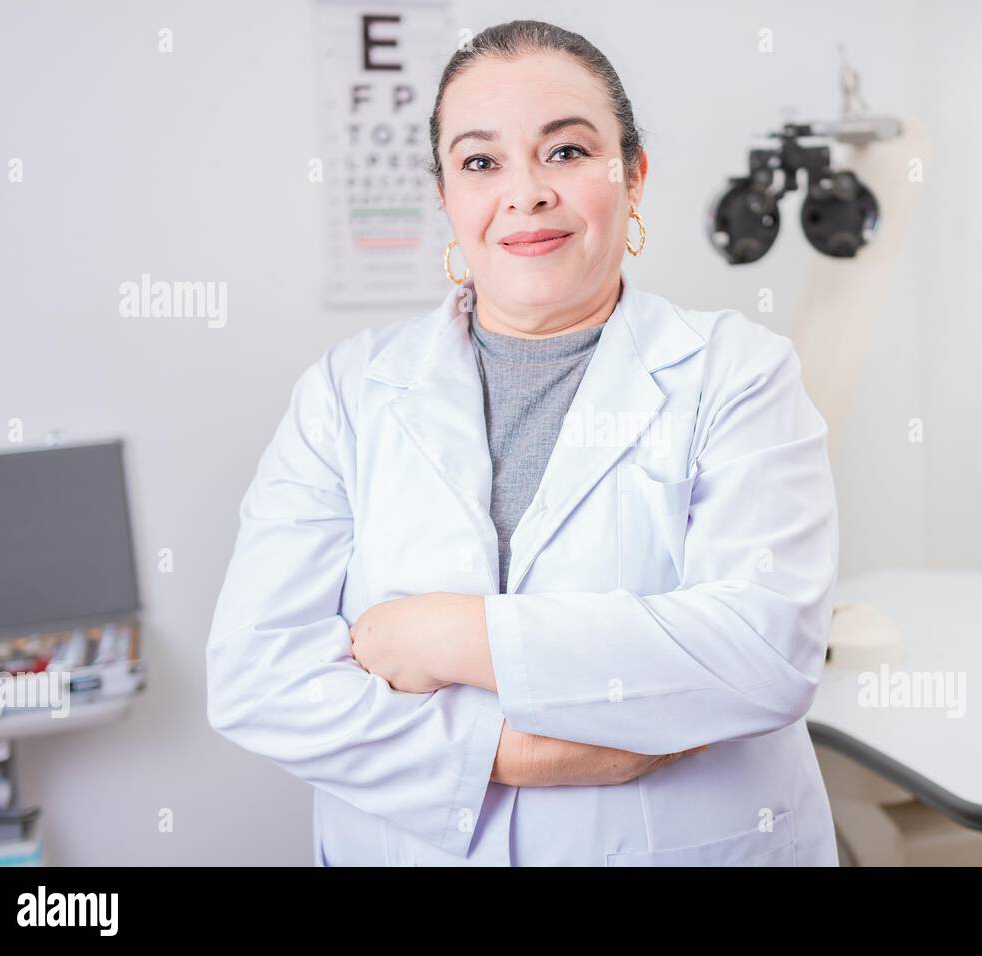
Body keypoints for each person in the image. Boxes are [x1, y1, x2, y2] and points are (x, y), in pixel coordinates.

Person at [206, 18, 840, 866]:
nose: (527, 192)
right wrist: (518, 757)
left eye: (567, 152)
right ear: (445, 196)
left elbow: (762, 654)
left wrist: (440, 635)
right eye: (480, 162)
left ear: (634, 174)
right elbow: (258, 679)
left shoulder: (740, 373)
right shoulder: (345, 394)